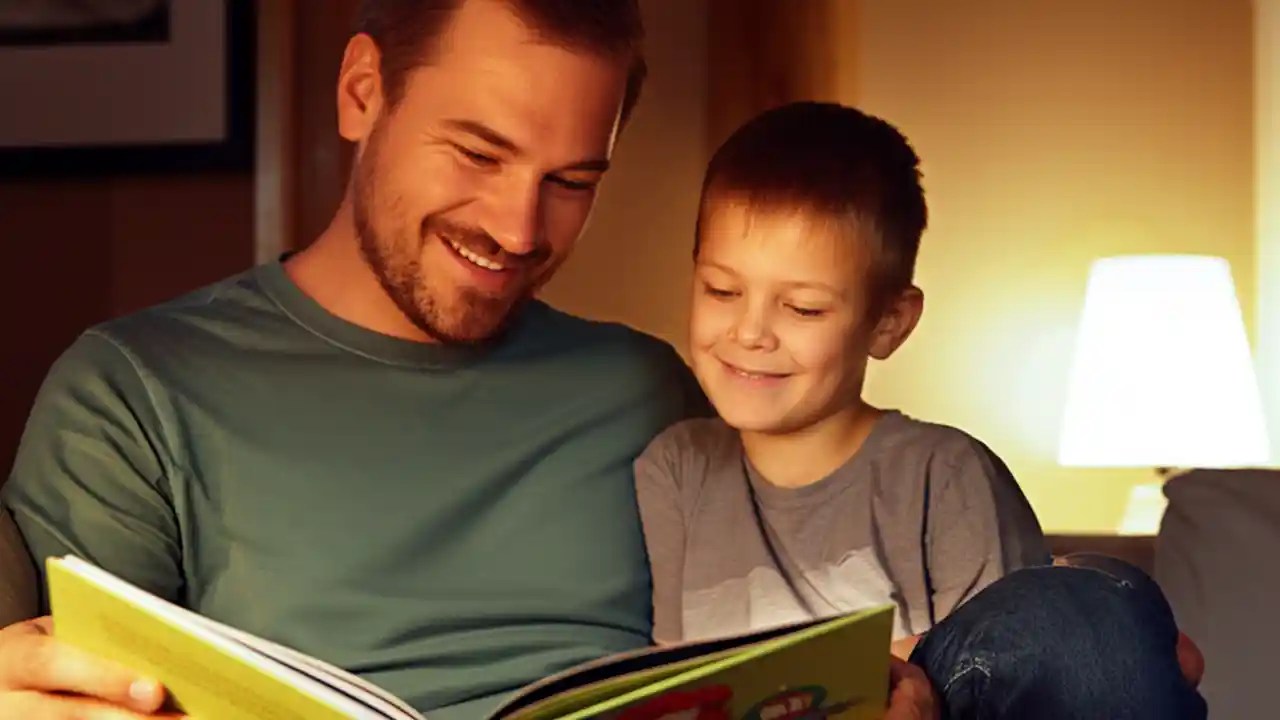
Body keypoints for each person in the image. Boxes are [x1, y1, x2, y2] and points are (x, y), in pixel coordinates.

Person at [0, 2, 940, 719]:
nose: (519, 229)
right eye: (479, 155)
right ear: (362, 92)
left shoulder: (650, 392)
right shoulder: (135, 392)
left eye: (570, 181)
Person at [634, 100, 1207, 718]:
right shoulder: (677, 469)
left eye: (802, 308)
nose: (749, 333)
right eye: (722, 290)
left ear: (888, 323)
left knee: (1075, 610)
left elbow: (1020, 671)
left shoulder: (945, 474)